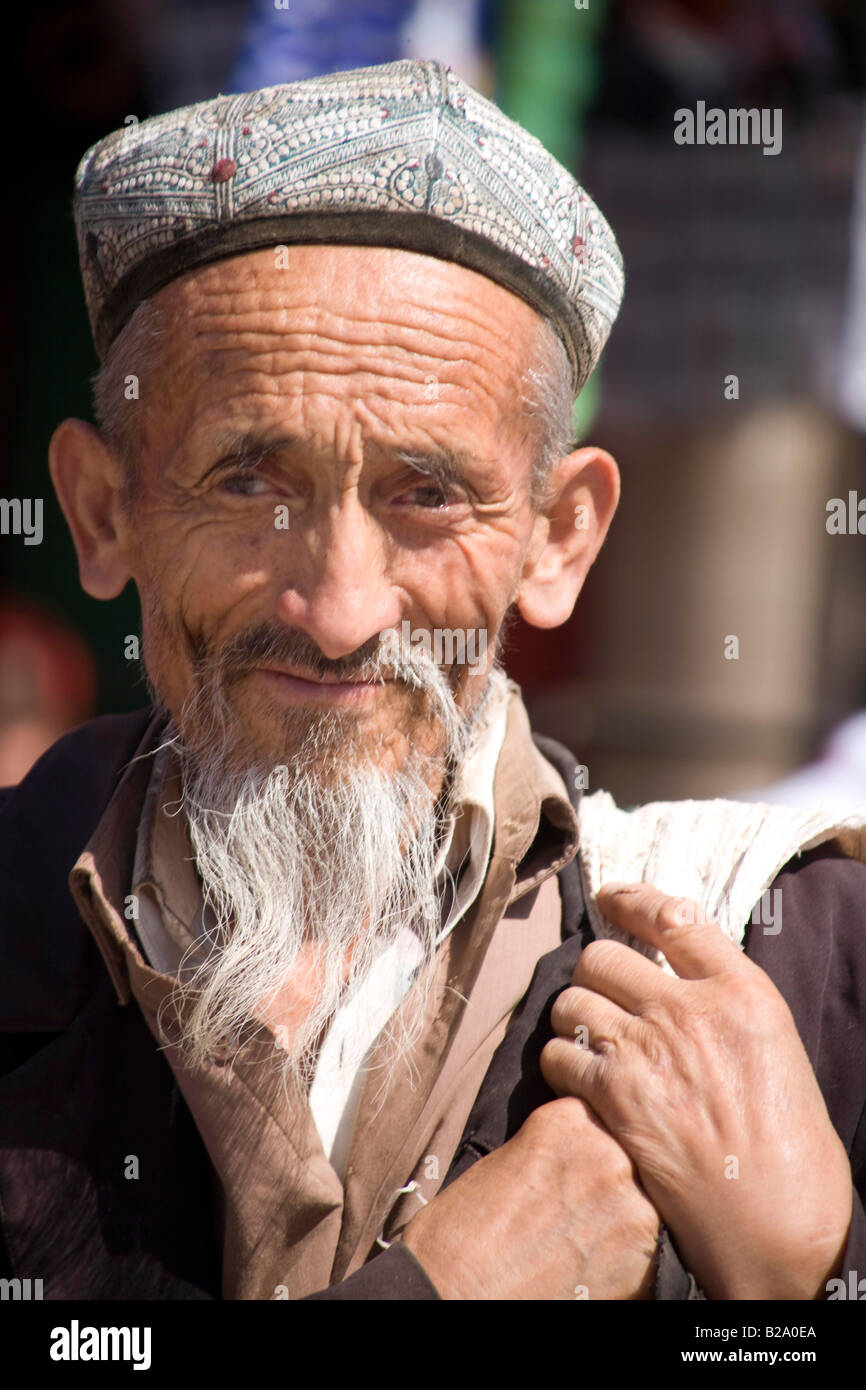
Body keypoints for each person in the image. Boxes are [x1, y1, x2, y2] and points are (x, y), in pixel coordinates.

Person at [1, 59, 864, 1302]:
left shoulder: (788, 963)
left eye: (428, 494)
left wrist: (810, 1269)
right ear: (101, 511)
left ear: (557, 537)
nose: (341, 612)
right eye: (248, 483)